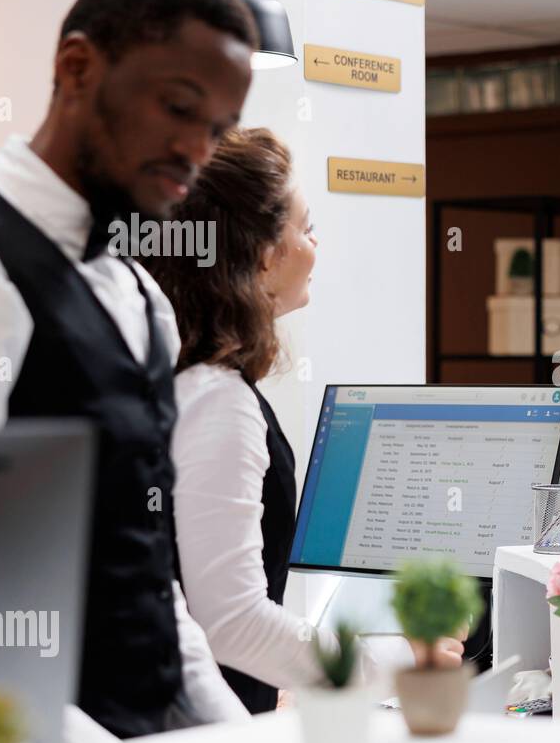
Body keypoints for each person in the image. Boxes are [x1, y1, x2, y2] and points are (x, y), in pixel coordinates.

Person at [0, 0, 258, 737]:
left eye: (218, 130)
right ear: (78, 67)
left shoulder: (139, 298)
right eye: (178, 107)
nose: (196, 148)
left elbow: (150, 581)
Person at [145, 128, 463, 713]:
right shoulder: (217, 400)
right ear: (266, 253)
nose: (316, 244)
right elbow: (231, 619)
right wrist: (391, 662)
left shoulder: (179, 375)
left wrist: (281, 691)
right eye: (305, 226)